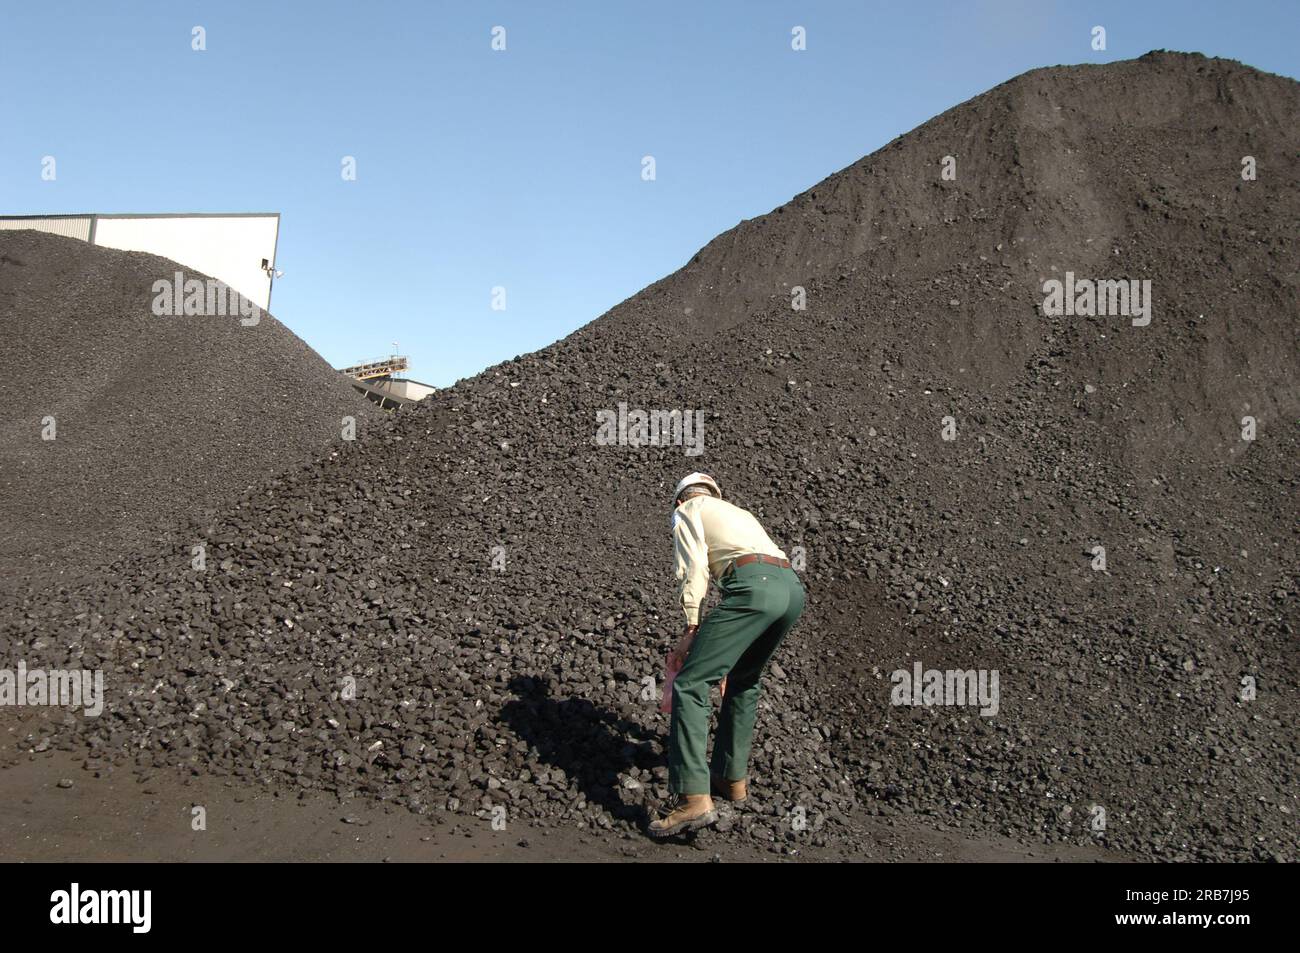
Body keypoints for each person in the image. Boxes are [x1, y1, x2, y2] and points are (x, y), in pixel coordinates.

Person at [648, 472, 806, 837]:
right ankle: (730, 779)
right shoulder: (741, 513)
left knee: (690, 684)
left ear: (679, 500)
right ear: (717, 493)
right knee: (744, 680)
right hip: (791, 591)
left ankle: (692, 799)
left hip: (755, 590)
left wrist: (691, 627)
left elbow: (694, 568)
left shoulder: (689, 509)